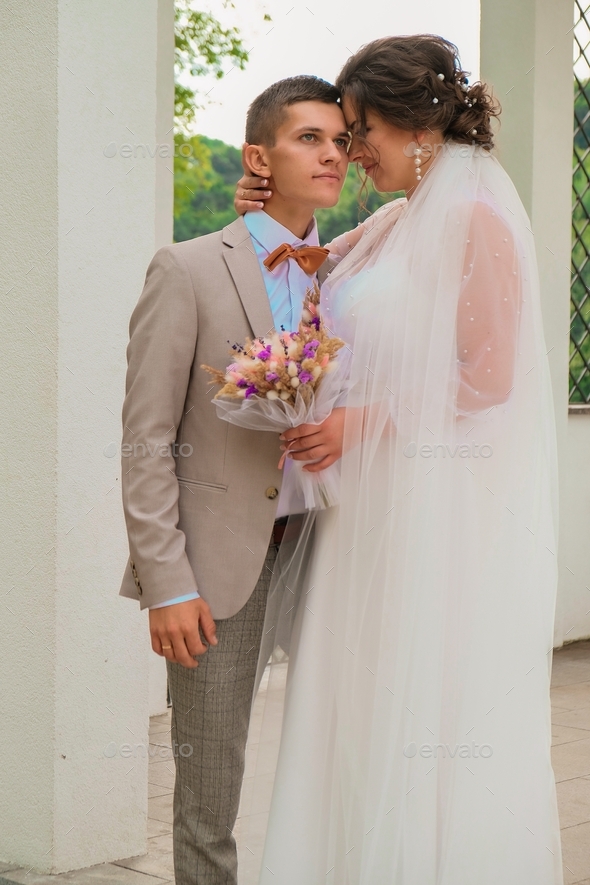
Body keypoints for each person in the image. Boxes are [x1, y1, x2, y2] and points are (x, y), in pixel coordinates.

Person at [236, 35, 564, 884]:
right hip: (365, 516)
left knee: (413, 712)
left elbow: (490, 378)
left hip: (424, 512)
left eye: (356, 130)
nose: (349, 151)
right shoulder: (396, 217)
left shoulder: (479, 219)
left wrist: (359, 425)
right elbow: (307, 280)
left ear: (412, 122)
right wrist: (263, 210)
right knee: (354, 707)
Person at [118, 75, 351, 884]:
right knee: (210, 793)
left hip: (333, 547)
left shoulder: (348, 272)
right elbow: (146, 439)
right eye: (310, 138)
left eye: (342, 140)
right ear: (260, 155)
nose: (333, 155)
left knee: (343, 762)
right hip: (218, 566)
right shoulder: (185, 269)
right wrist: (165, 581)